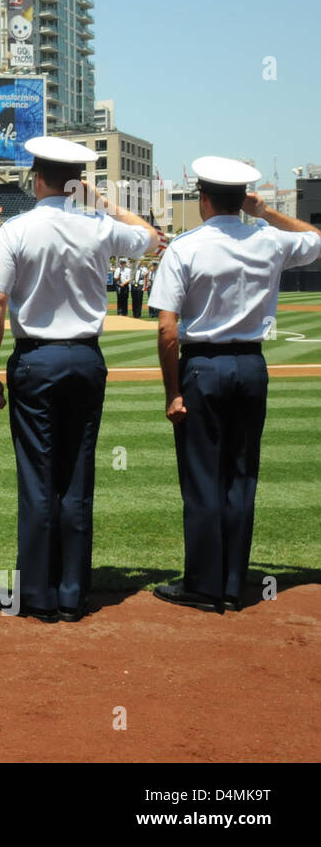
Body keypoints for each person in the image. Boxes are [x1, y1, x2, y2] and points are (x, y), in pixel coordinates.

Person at [0, 136, 158, 622]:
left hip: (35, 359)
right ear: (78, 181)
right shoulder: (99, 225)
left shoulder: (16, 229)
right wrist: (102, 202)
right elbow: (151, 236)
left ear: (37, 177)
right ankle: (72, 593)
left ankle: (37, 594)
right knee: (77, 475)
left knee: (37, 478)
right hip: (84, 358)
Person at [148, 157, 321, 613]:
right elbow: (318, 239)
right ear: (241, 198)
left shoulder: (185, 248)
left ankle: (202, 587)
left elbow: (167, 330)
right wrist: (265, 212)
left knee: (203, 478)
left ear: (203, 199)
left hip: (203, 366)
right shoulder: (269, 239)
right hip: (251, 366)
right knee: (241, 476)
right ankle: (230, 583)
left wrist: (173, 392)